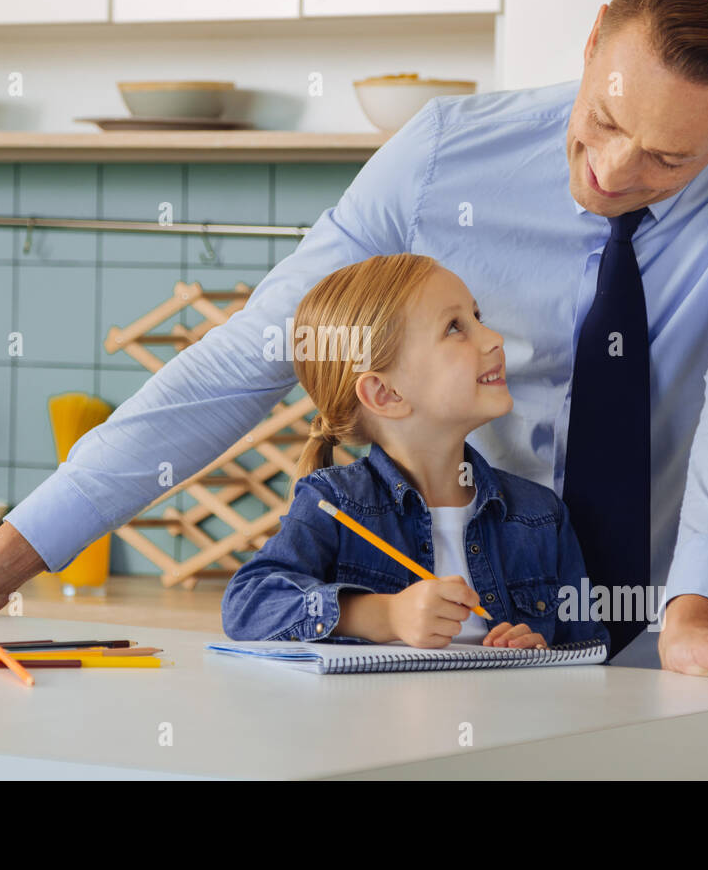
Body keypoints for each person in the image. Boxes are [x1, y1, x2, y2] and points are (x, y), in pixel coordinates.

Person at [0, 0, 708, 684]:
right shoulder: (441, 155)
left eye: (669, 160)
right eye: (602, 120)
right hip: (490, 661)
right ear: (593, 40)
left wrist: (690, 611)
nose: (611, 171)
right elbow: (255, 353)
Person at [220, 254, 608, 651]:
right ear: (385, 394)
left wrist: (540, 655)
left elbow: (588, 650)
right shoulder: (333, 504)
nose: (494, 339)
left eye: (478, 317)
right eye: (455, 328)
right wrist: (384, 616)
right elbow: (247, 605)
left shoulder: (541, 516)